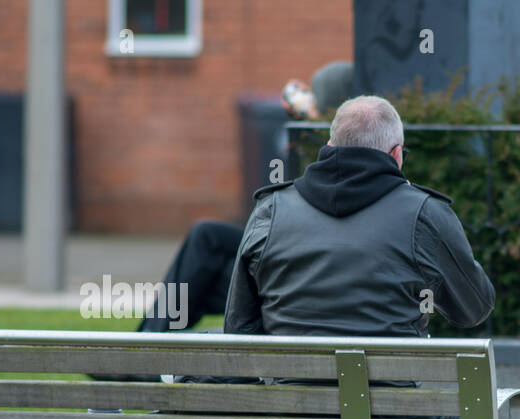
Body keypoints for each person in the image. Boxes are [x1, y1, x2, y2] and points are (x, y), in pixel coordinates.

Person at [223, 95, 520, 419]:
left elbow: (239, 331)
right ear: (397, 154)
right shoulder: (425, 213)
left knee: (283, 402)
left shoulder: (270, 210)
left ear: (330, 146)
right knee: (462, 417)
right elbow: (474, 309)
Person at [135, 61, 358, 335]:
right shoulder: (325, 137)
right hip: (296, 242)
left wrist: (311, 131)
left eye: (318, 96)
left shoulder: (339, 144)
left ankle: (145, 348)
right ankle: (146, 345)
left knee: (205, 270)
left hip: (303, 253)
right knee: (207, 238)